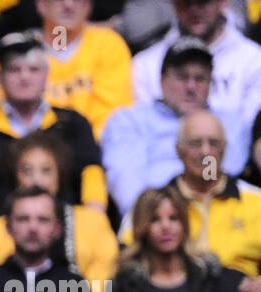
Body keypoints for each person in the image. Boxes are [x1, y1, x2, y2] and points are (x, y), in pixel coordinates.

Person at [0, 31, 106, 230]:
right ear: (0, 77)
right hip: (0, 227)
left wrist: (93, 222)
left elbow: (91, 171)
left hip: (69, 228)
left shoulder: (72, 122)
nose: (24, 77)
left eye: (34, 69)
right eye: (14, 69)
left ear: (46, 75)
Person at [102, 37, 250, 215]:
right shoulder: (129, 121)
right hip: (154, 221)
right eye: (182, 77)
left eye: (200, 79)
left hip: (216, 216)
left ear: (211, 84)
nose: (190, 87)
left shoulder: (231, 124)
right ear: (162, 81)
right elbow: (127, 188)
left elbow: (218, 176)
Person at [0, 130, 118, 289]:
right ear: (15, 176)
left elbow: (101, 287)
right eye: (26, 170)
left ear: (60, 175)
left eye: (46, 170)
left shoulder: (93, 222)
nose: (36, 179)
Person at [111, 186, 253, 292]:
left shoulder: (211, 276)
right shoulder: (120, 282)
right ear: (142, 226)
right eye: (154, 219)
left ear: (184, 224)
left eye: (173, 218)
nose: (166, 227)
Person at [131, 0, 261, 151]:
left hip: (219, 164)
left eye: (202, 3)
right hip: (159, 164)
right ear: (173, 4)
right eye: (186, 3)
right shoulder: (145, 63)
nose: (194, 10)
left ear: (223, 2)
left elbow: (244, 137)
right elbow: (141, 132)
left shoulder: (255, 60)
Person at [161, 109, 261, 278]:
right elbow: (124, 262)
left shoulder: (256, 201)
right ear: (178, 150)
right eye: (195, 143)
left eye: (213, 143)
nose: (205, 152)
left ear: (224, 150)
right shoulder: (153, 204)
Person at [37, 0, 132, 138]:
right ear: (42, 5)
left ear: (88, 6)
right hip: (35, 150)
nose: (68, 4)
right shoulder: (21, 52)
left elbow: (112, 114)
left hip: (96, 149)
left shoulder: (107, 44)